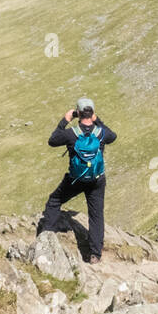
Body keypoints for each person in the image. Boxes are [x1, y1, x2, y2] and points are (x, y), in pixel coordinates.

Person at [39, 97, 116, 263]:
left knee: (54, 201)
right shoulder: (101, 133)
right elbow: (113, 136)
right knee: (96, 215)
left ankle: (46, 238)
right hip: (96, 180)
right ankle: (95, 254)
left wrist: (65, 120)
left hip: (76, 179)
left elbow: (52, 140)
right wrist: (98, 120)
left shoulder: (71, 134)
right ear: (92, 113)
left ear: (78, 113)